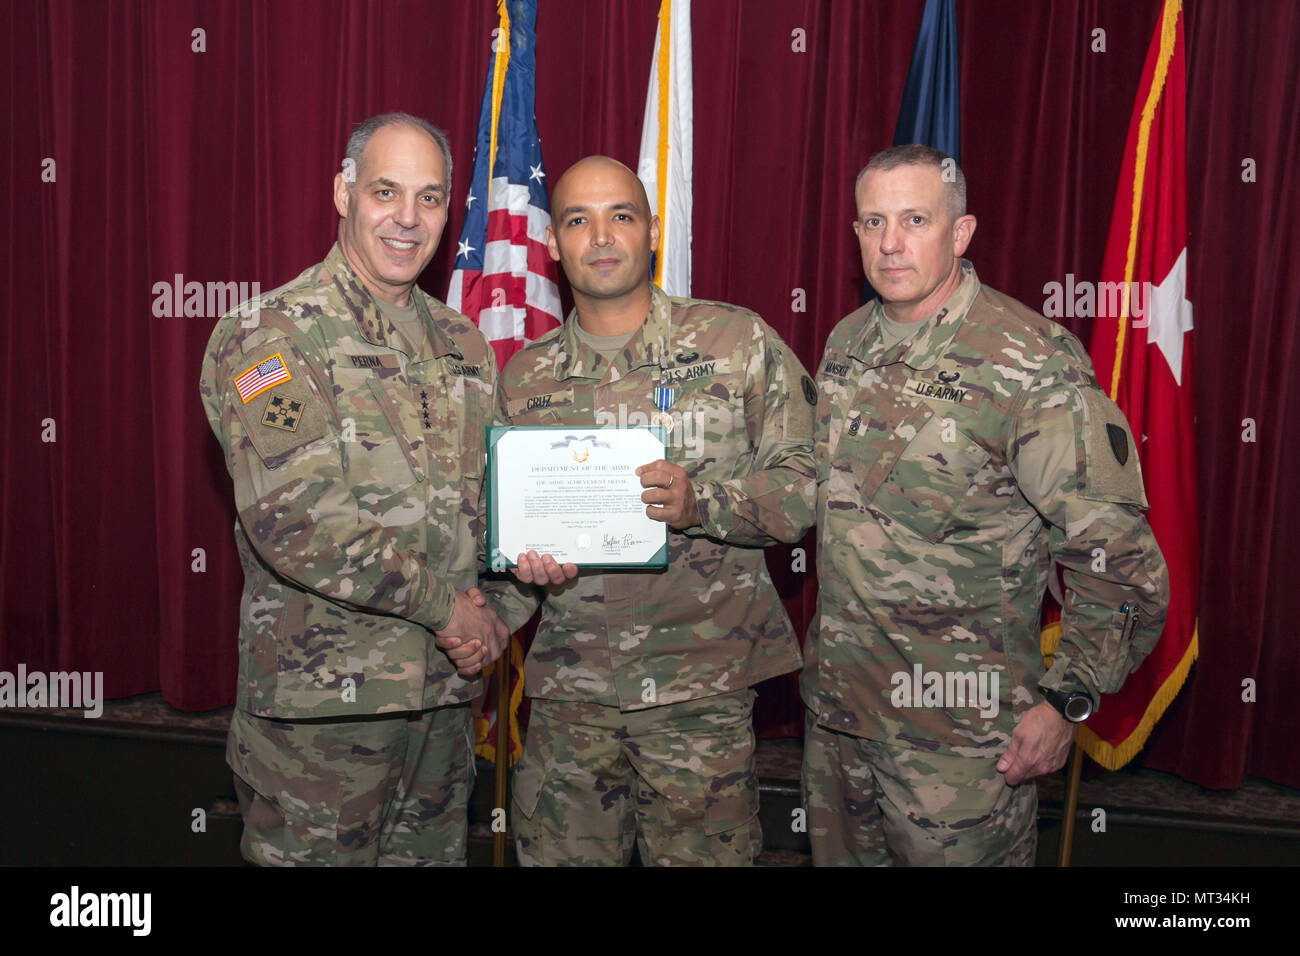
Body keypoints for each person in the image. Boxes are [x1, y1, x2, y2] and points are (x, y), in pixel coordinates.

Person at [801, 145, 1170, 866]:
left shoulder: (1030, 361)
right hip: (841, 721)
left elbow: (1120, 562)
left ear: (960, 233)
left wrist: (1068, 700)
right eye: (872, 222)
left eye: (914, 219)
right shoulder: (848, 342)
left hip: (962, 744)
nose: (891, 243)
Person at [472, 156, 817, 866]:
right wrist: (517, 574)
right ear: (552, 245)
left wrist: (703, 503)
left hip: (700, 697)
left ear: (652, 230)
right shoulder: (524, 375)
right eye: (577, 220)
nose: (601, 236)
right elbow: (507, 534)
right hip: (571, 701)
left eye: (620, 215)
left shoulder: (735, 343)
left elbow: (809, 485)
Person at [199, 112, 509, 866]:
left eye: (430, 198)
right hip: (323, 721)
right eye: (385, 191)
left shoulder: (463, 343)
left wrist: (500, 612)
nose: (407, 219)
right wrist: (451, 611)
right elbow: (301, 521)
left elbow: (493, 509)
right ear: (342, 192)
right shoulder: (268, 334)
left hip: (440, 709)